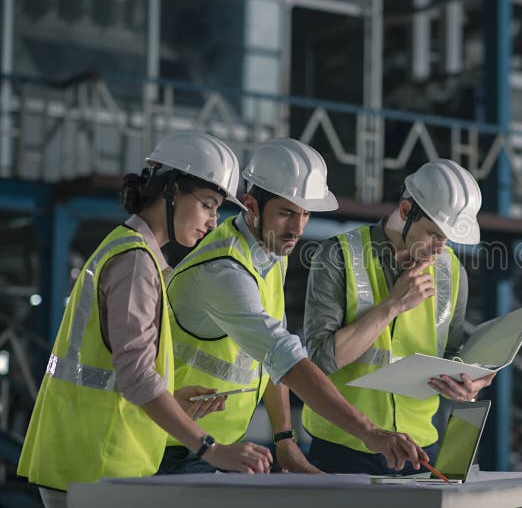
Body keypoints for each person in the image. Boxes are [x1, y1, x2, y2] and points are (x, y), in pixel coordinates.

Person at [17, 132, 273, 508]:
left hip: (92, 456)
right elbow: (136, 376)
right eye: (207, 204)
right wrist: (211, 449)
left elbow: (119, 370)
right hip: (97, 461)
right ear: (170, 191)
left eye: (217, 208)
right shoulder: (135, 262)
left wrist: (171, 400)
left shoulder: (133, 252)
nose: (212, 220)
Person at [161, 138, 426, 475]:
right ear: (251, 205)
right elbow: (285, 359)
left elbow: (270, 360)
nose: (298, 228)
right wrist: (370, 432)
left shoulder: (269, 256)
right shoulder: (224, 271)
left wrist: (285, 440)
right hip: (175, 448)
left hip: (220, 448)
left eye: (305, 214)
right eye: (286, 212)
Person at [302, 159, 496, 474]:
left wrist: (466, 383)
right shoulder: (338, 256)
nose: (439, 249)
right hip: (345, 445)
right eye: (433, 234)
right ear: (405, 211)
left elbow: (452, 354)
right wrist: (392, 304)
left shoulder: (452, 272)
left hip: (419, 450)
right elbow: (321, 360)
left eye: (448, 239)